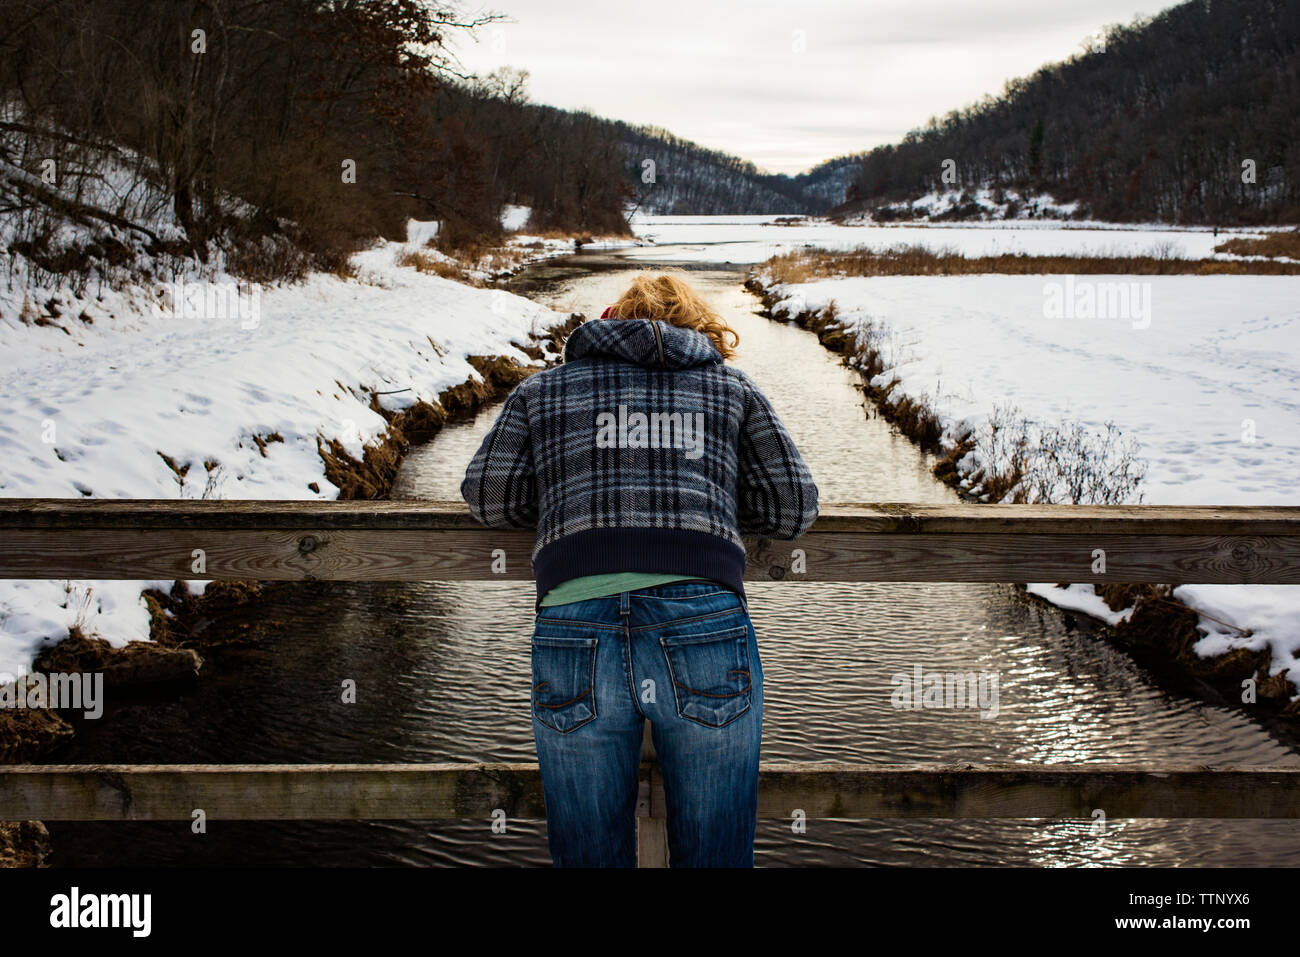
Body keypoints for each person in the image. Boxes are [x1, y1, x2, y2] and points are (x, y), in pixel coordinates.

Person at [461, 272, 819, 867]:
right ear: (699, 328)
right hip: (702, 622)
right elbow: (793, 508)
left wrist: (564, 497)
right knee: (715, 854)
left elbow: (488, 496)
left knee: (588, 853)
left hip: (574, 625)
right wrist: (716, 498)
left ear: (609, 320)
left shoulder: (542, 390)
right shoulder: (732, 390)